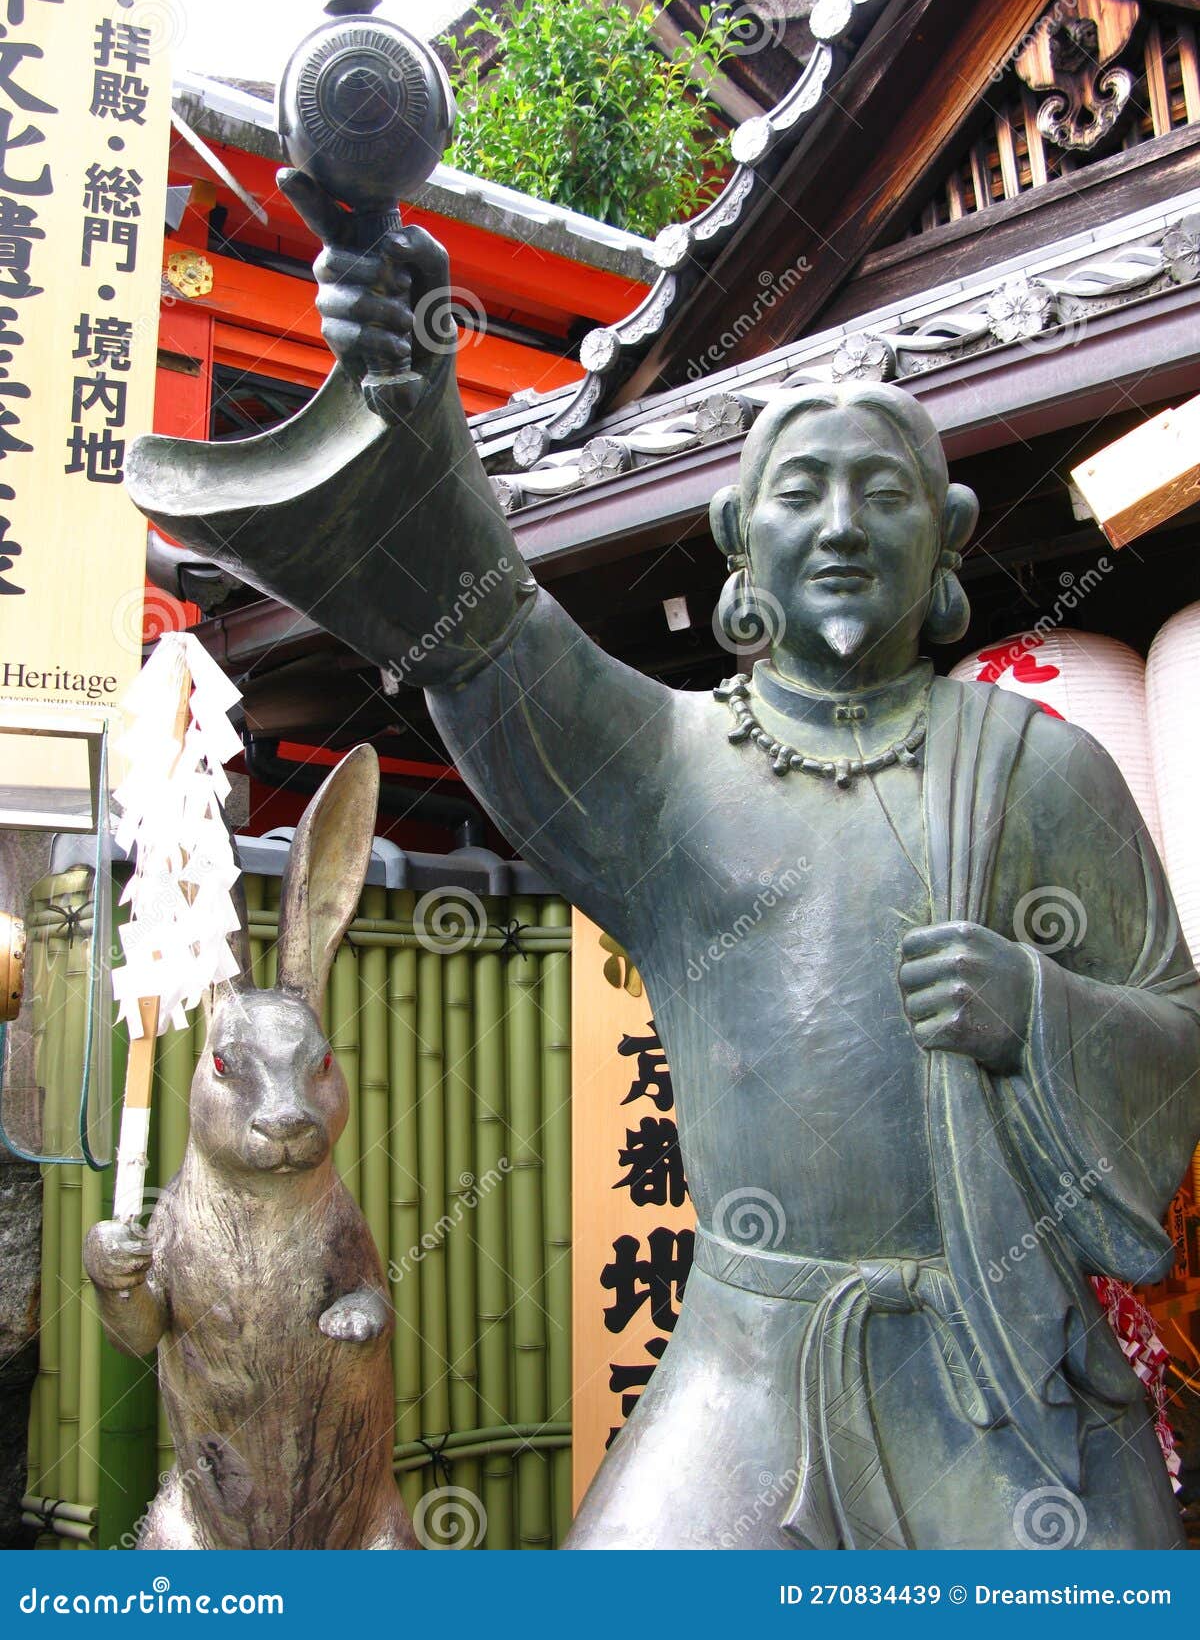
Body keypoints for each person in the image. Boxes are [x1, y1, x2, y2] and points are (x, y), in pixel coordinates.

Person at [128, 176, 1200, 1549]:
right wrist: (416, 396)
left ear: (947, 542)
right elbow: (492, 640)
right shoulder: (675, 763)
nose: (842, 526)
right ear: (742, 553)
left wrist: (1038, 1013)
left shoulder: (1044, 772)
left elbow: (1176, 1029)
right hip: (750, 1363)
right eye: (800, 493)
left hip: (1000, 1365)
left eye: (886, 494)